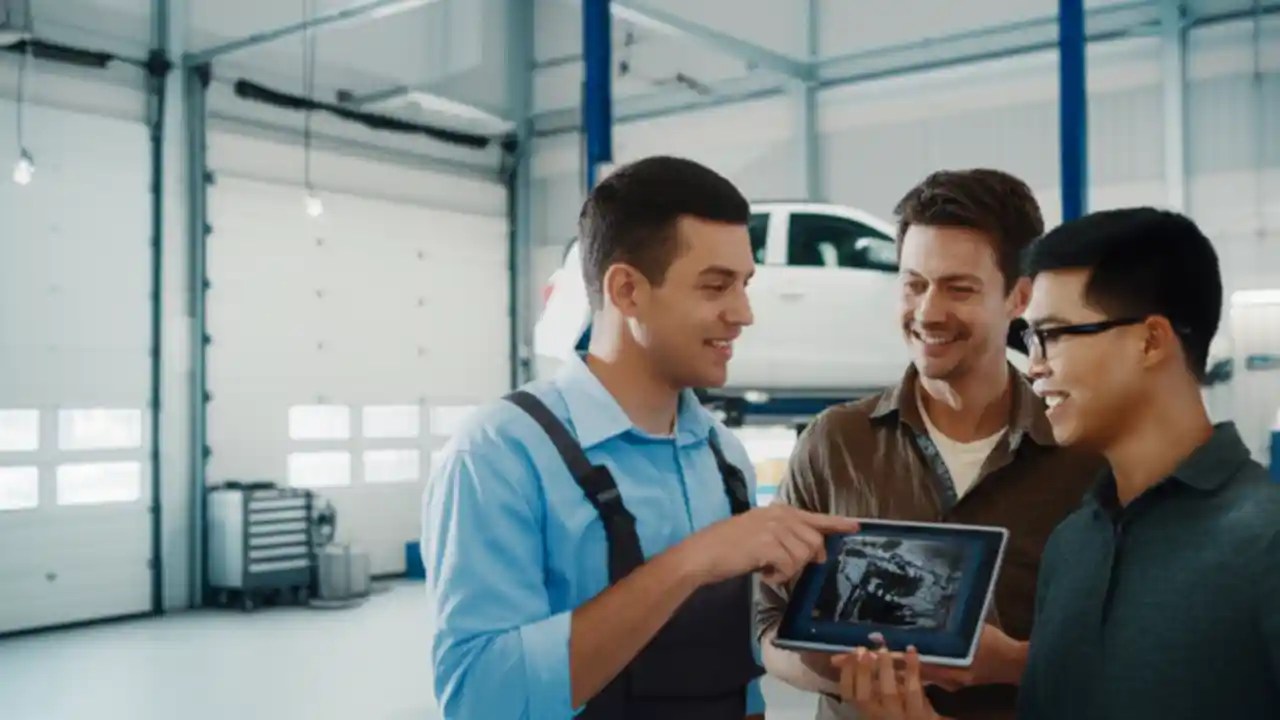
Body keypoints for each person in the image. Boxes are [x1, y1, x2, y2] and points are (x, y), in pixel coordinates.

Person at [421, 155, 860, 720]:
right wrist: (693, 561)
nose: (743, 313)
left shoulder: (722, 456)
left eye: (744, 284)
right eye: (716, 286)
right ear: (628, 290)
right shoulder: (499, 454)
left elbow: (734, 675)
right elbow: (482, 698)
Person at [834, 207, 1280, 720]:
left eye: (1054, 334)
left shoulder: (1265, 542)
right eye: (1030, 339)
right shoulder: (1073, 544)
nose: (1036, 364)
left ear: (1150, 341)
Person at [755, 169, 1102, 720]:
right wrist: (847, 675)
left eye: (958, 289)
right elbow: (768, 623)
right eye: (914, 284)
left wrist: (1010, 663)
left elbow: (1132, 651)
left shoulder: (1084, 456)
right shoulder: (834, 442)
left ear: (1019, 296)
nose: (928, 312)